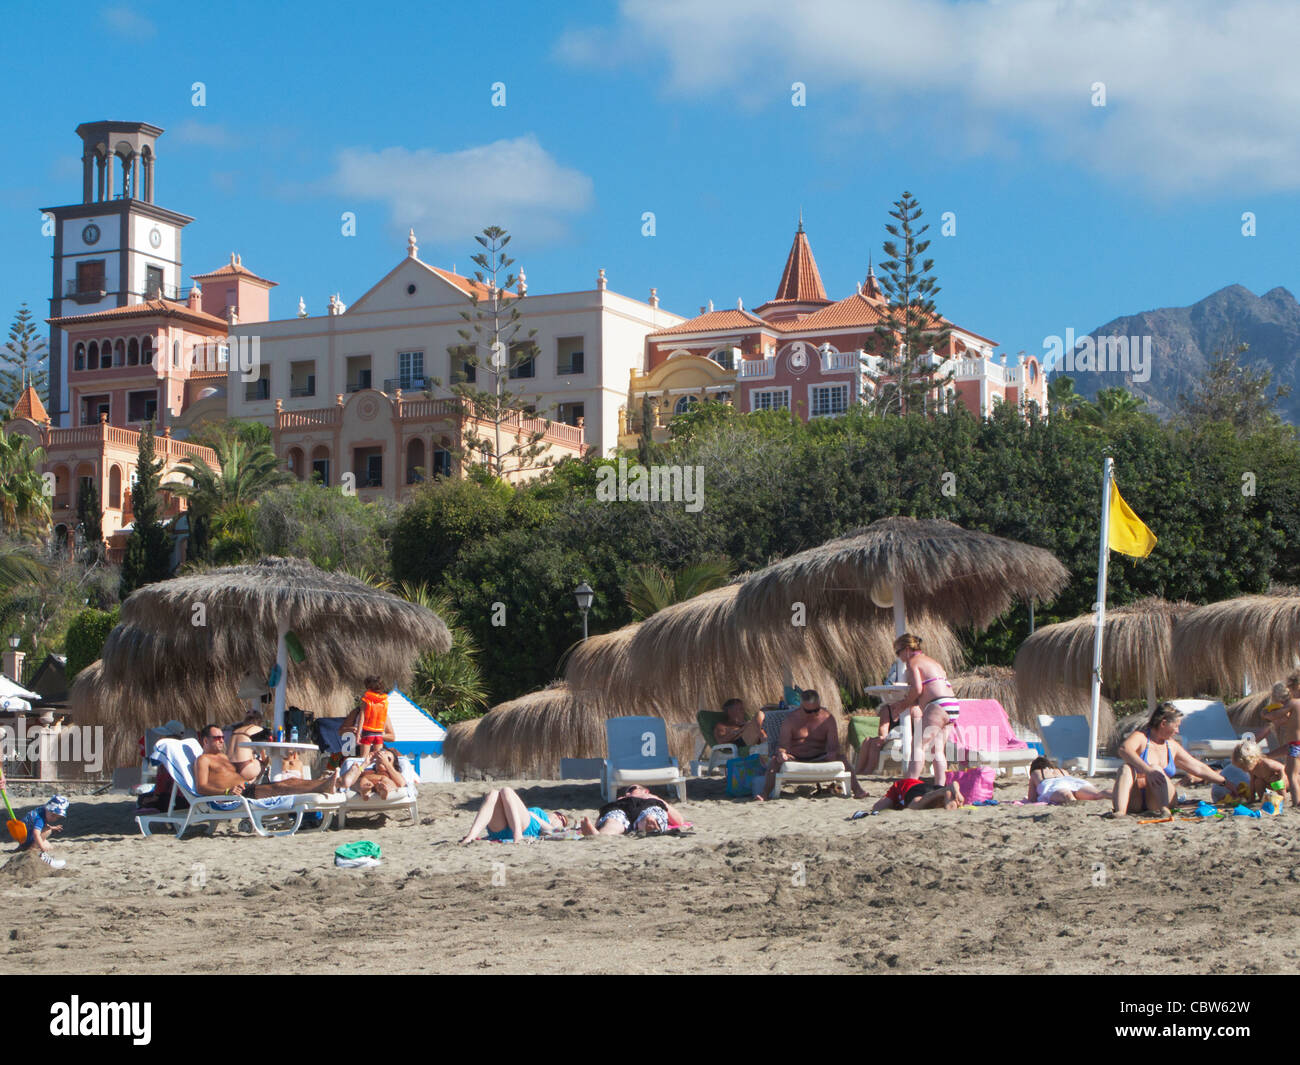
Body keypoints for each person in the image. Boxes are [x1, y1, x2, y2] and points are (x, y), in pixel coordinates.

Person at [1111, 704, 1230, 817]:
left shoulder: (1172, 746)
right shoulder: (1141, 738)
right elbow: (1124, 750)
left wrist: (1225, 782)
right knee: (1126, 768)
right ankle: (1120, 812)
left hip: (1160, 800)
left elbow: (1198, 768)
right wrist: (1147, 770)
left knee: (1156, 768)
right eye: (1176, 726)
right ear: (1163, 723)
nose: (1177, 731)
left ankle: (1164, 809)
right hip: (1135, 800)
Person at [886, 633, 959, 785]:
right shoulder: (933, 661)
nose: (898, 657)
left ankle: (909, 786)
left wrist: (903, 704)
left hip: (937, 705)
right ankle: (940, 786)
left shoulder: (913, 663)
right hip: (952, 704)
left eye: (898, 653)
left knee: (918, 746)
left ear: (907, 649)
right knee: (937, 751)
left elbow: (917, 689)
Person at [753, 689, 852, 802]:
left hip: (820, 756)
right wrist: (781, 753)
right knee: (775, 761)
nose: (813, 714)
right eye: (809, 711)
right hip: (796, 757)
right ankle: (764, 794)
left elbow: (834, 745)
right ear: (801, 707)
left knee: (842, 758)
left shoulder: (827, 719)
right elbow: (782, 746)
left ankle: (858, 790)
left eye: (816, 710)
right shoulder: (791, 720)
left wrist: (832, 752)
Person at [193, 725, 338, 798]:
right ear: (205, 740)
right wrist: (226, 792)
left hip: (247, 787)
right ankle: (321, 787)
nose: (221, 740)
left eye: (222, 737)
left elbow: (235, 777)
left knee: (291, 780)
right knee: (280, 788)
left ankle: (328, 783)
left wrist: (260, 770)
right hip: (238, 796)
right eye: (217, 738)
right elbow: (201, 787)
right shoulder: (203, 760)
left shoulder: (223, 757)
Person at [459, 786, 567, 843]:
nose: (559, 817)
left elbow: (553, 831)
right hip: (501, 831)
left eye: (562, 819)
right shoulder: (530, 811)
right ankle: (470, 837)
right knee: (493, 794)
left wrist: (536, 817)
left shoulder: (554, 819)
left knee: (506, 790)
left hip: (527, 828)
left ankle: (517, 835)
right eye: (559, 815)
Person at [580, 784, 686, 836]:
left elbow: (679, 821)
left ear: (645, 791)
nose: (627, 793)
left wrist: (658, 799)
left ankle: (649, 825)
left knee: (650, 814)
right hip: (621, 807)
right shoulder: (621, 799)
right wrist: (597, 825)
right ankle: (601, 835)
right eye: (626, 792)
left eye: (632, 789)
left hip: (647, 805)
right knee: (612, 820)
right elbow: (604, 813)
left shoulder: (651, 797)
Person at [1261, 672, 1300, 805]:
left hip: (1295, 744)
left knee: (1292, 774)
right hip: (1294, 745)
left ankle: (1296, 802)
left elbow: (1277, 714)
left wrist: (1266, 714)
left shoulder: (1294, 703)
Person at [1027, 757, 1111, 804]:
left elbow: (1032, 798)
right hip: (1073, 781)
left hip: (1052, 784)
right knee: (1097, 794)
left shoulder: (1035, 773)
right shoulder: (1061, 770)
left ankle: (1073, 801)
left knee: (1067, 796)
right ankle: (1116, 795)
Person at [18, 794, 68, 868]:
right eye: (52, 815)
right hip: (27, 837)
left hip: (24, 837)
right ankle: (32, 851)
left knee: (49, 847)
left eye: (57, 818)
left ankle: (26, 847)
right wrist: (41, 847)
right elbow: (36, 834)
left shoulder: (41, 811)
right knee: (47, 831)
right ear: (48, 809)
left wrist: (53, 827)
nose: (53, 819)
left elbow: (41, 826)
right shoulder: (39, 818)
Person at [1231, 738, 1287, 804]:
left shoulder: (1266, 763)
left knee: (1274, 779)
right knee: (1258, 782)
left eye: (1243, 767)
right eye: (1241, 768)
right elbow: (1252, 782)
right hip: (1267, 783)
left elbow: (1281, 768)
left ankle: (1283, 798)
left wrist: (1281, 780)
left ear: (1252, 759)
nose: (1243, 770)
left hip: (1282, 781)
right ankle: (1263, 799)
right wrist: (1252, 796)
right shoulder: (1252, 768)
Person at [341, 745, 406, 800]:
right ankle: (365, 790)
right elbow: (349, 781)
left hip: (384, 784)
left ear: (393, 765)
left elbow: (401, 783)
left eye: (388, 759)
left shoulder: (393, 774)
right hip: (365, 785)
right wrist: (365, 764)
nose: (383, 759)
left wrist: (386, 763)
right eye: (380, 757)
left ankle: (382, 789)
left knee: (385, 781)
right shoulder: (368, 771)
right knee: (361, 780)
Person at [871, 776, 964, 812]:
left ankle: (944, 790)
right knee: (940, 802)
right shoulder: (914, 781)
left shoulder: (895, 788)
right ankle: (948, 795)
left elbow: (877, 807)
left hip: (913, 789)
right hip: (930, 787)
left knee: (914, 805)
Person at [227, 708, 269, 785]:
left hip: (229, 768)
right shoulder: (258, 729)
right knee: (264, 763)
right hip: (245, 768)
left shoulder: (236, 730)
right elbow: (264, 755)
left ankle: (243, 783)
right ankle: (250, 784)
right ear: (259, 720)